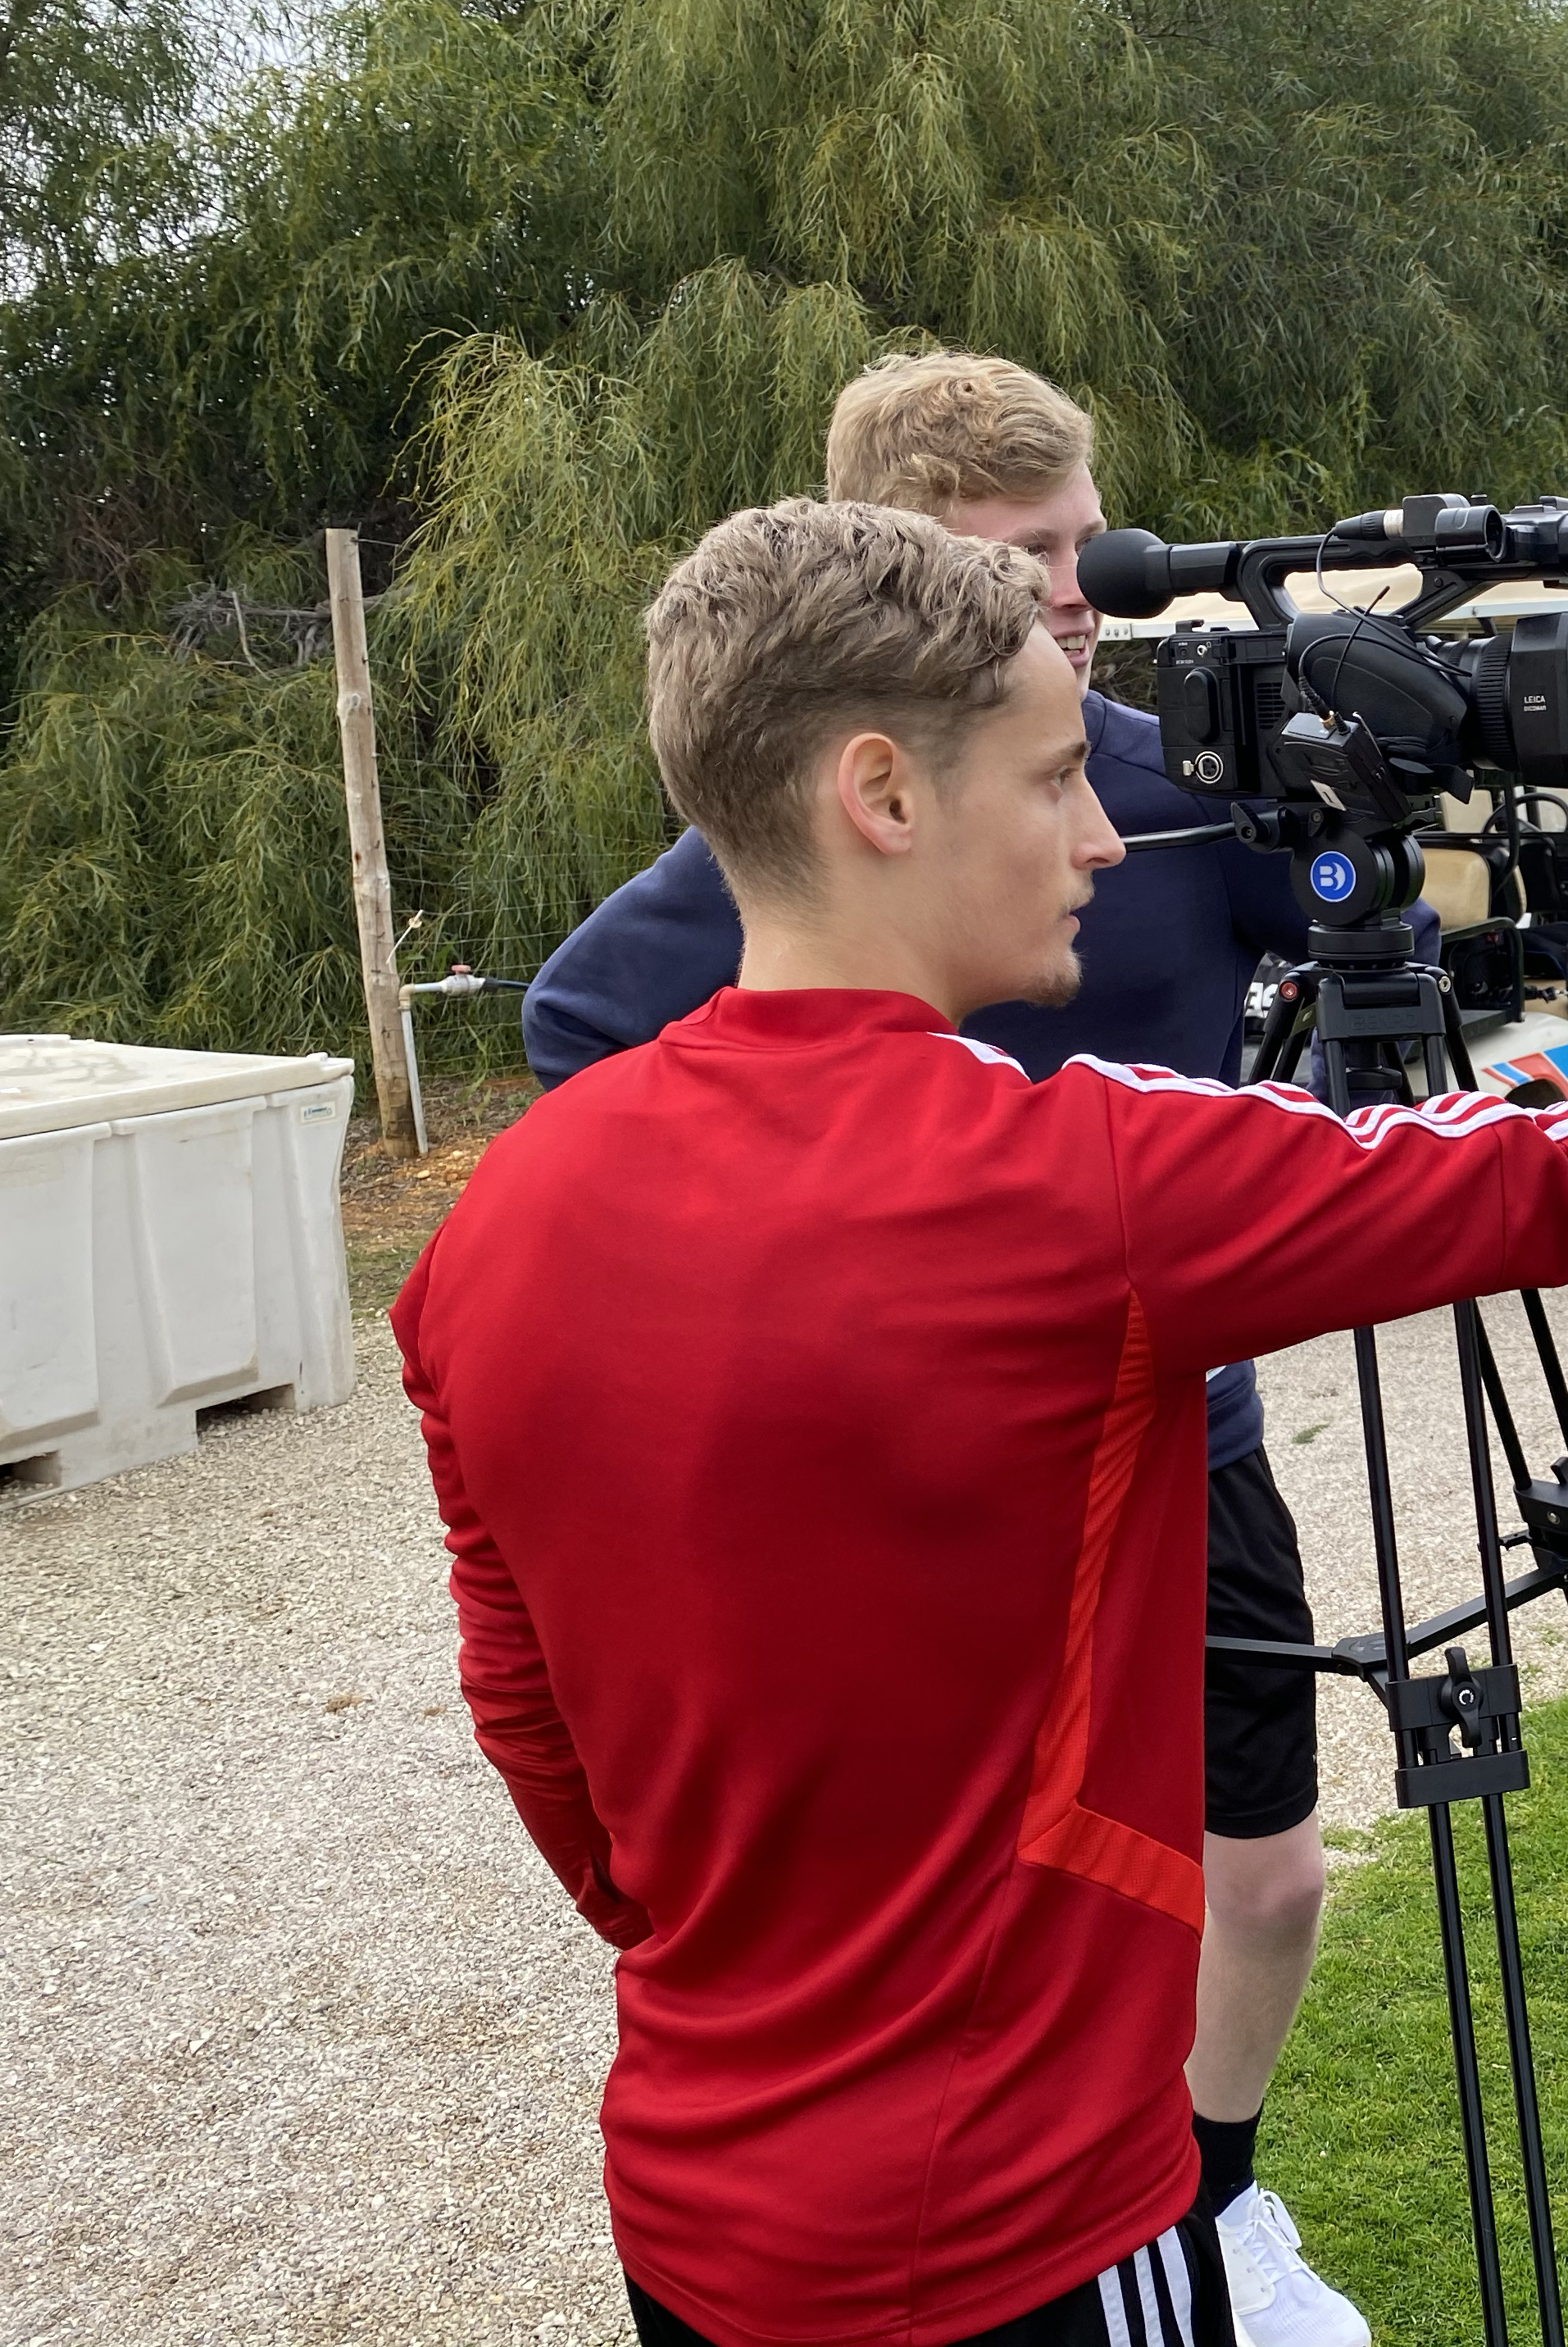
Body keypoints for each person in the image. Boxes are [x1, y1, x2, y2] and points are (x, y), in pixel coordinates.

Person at [400, 497, 1568, 2347]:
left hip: (697, 2214)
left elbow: (538, 1737)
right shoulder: (1069, 1186)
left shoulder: (494, 1223)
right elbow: (1541, 1179)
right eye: (1056, 778)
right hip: (1023, 2223)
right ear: (883, 797)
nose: (1106, 833)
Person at [520, 354, 1378, 2344]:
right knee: (982, 1910)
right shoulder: (688, 924)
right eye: (1023, 559)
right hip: (922, 1503)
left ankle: (1217, 2197)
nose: (1079, 594)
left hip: (1192, 1436)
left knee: (1264, 1873)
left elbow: (1352, 945)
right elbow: (595, 1094)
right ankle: (1004, 2217)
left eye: (1088, 544)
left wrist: (1306, 1130)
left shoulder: (1171, 783)